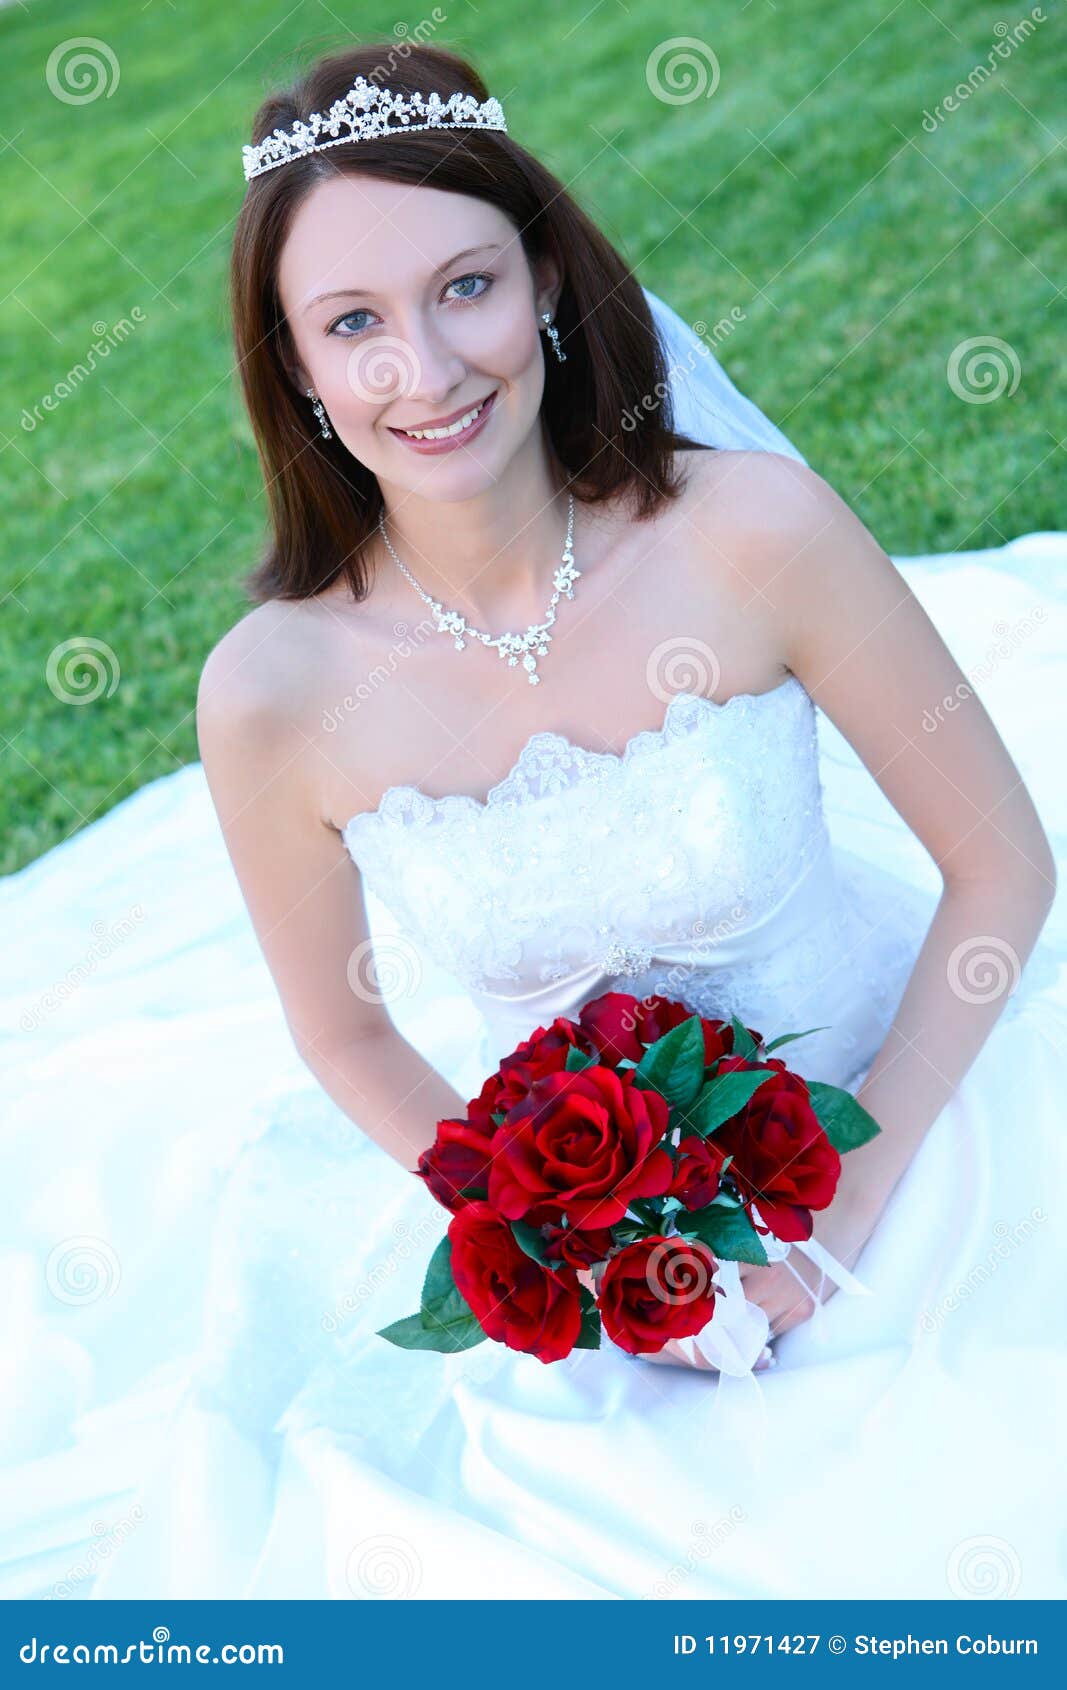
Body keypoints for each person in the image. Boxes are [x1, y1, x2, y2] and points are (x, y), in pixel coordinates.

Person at [85, 39, 1064, 1598]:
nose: (425, 366)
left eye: (462, 287)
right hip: (591, 1274)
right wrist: (562, 1245)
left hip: (905, 1129)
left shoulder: (748, 537)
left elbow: (1006, 862)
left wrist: (851, 1200)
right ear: (299, 371)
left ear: (543, 276)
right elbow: (348, 1039)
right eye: (353, 324)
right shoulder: (276, 692)